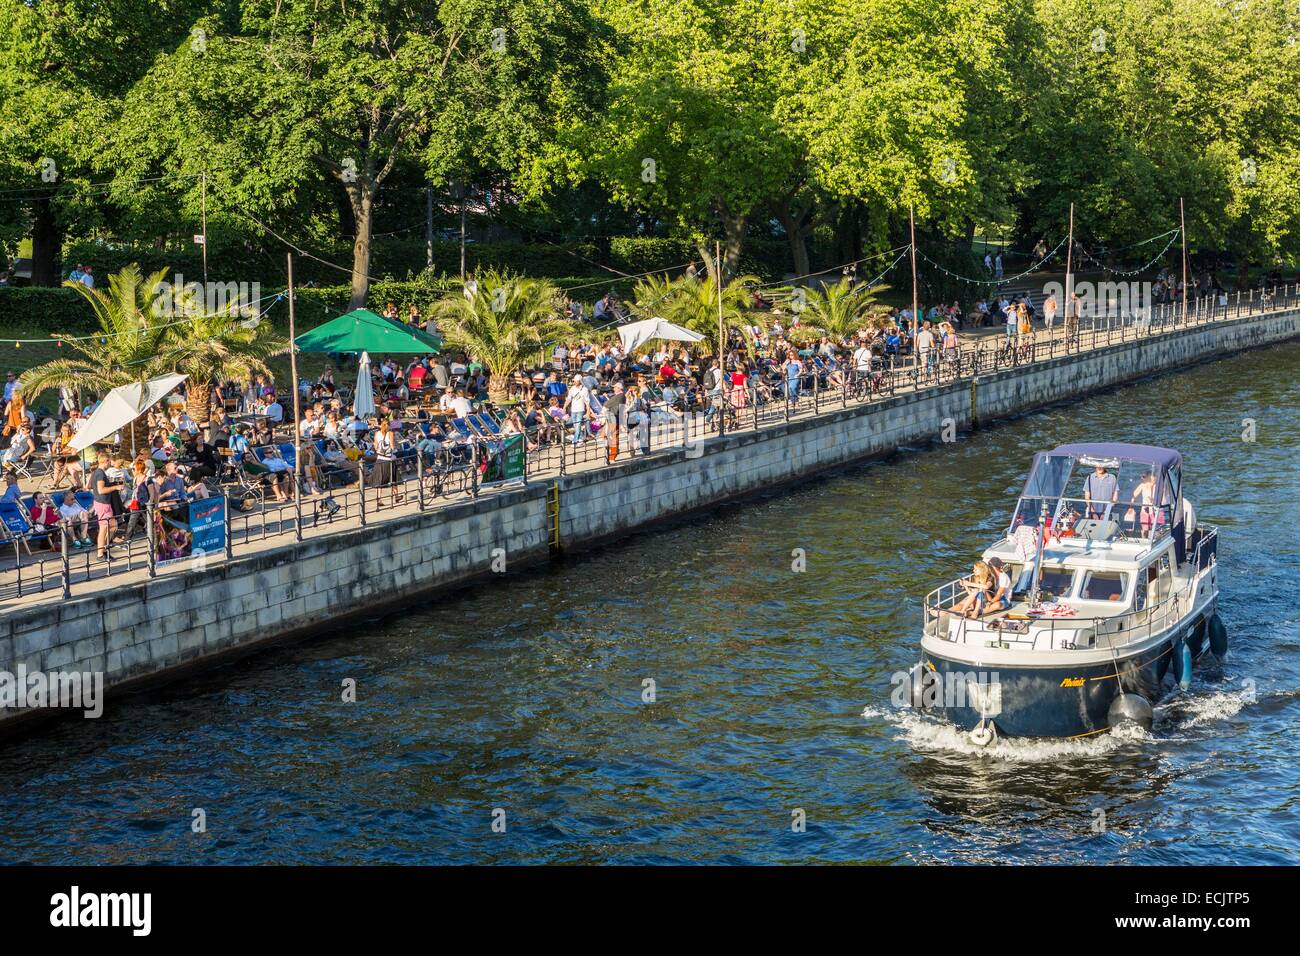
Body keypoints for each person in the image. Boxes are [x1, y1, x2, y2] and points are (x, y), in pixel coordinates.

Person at [89, 450, 125, 560]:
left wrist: (110, 483)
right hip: (103, 502)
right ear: (106, 461)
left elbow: (90, 485)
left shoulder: (96, 472)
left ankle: (104, 549)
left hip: (102, 502)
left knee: (112, 526)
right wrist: (115, 487)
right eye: (110, 461)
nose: (111, 463)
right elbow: (101, 490)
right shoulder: (100, 473)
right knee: (104, 528)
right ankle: (101, 553)